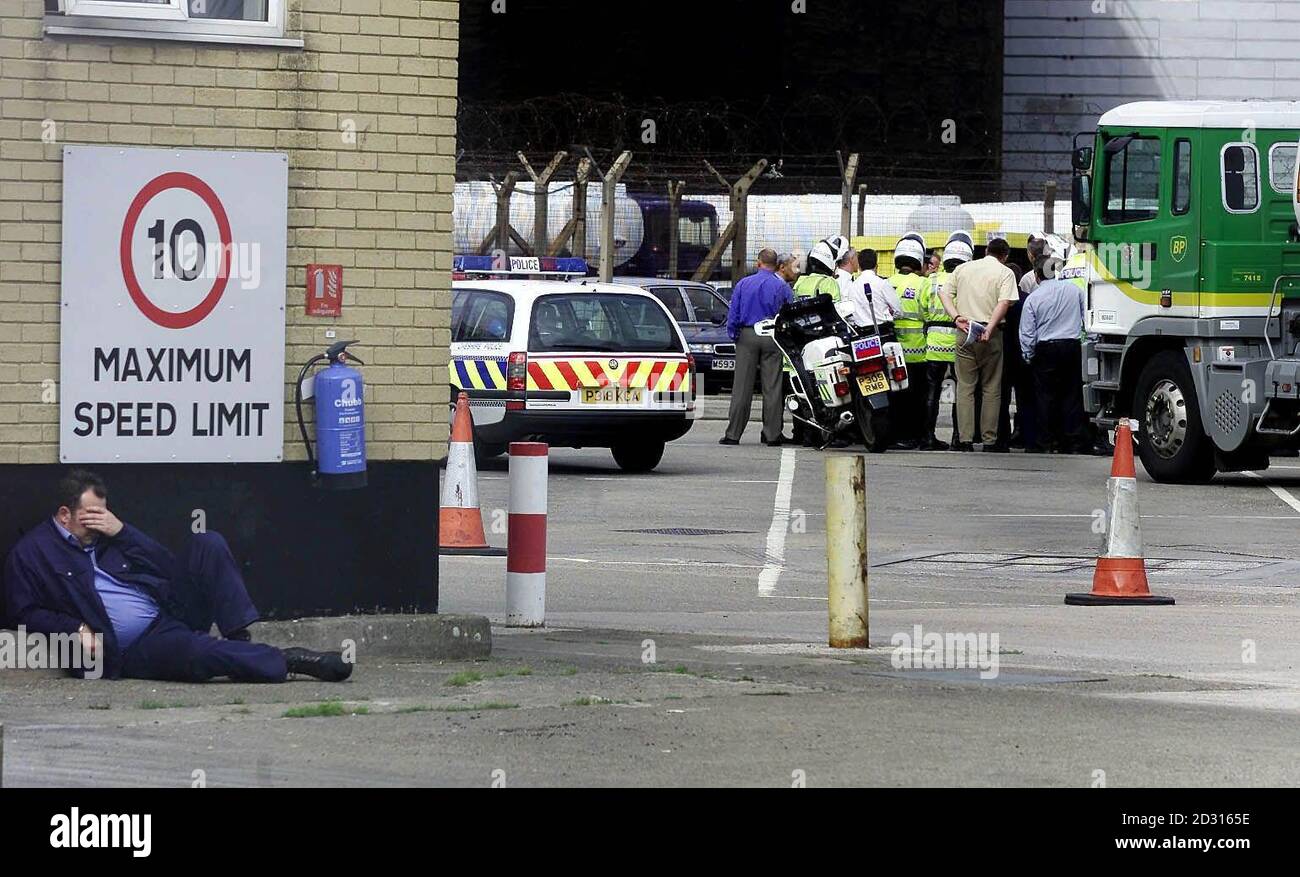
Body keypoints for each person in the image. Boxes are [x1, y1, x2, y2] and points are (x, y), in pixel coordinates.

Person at [2, 470, 352, 683]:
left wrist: (122, 531)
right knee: (199, 653)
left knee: (207, 543)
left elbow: (166, 566)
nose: (98, 522)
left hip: (166, 608)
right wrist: (73, 628)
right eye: (90, 516)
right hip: (133, 648)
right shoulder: (32, 554)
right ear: (65, 515)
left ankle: (239, 640)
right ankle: (290, 660)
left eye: (103, 514)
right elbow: (24, 612)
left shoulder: (109, 534)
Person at [938, 236, 1018, 452]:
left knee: (965, 387)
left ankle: (965, 440)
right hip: (991, 334)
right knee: (991, 388)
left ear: (985, 252)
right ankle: (989, 440)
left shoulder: (963, 269)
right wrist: (990, 328)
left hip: (965, 330)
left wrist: (956, 317)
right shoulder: (1005, 273)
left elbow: (944, 293)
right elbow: (1004, 303)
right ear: (1005, 256)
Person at [1020, 246, 1090, 453]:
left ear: (1036, 274)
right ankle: (1073, 441)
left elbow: (1027, 332)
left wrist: (1028, 354)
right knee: (1072, 395)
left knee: (1045, 397)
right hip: (1072, 346)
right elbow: (1086, 318)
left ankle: (1046, 442)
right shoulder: (1074, 290)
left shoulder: (1033, 298)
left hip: (1046, 350)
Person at [721, 248, 793, 446]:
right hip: (772, 336)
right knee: (772, 387)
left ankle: (733, 434)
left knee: (742, 387)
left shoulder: (744, 284)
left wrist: (735, 335)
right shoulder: (781, 286)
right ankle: (772, 434)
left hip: (747, 334)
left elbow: (733, 313)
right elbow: (788, 312)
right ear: (776, 265)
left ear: (759, 262)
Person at [917, 232, 971, 450]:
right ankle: (959, 438)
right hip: (960, 342)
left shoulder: (930, 281)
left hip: (933, 344)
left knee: (932, 392)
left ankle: (928, 437)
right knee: (962, 392)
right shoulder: (966, 280)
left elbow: (921, 309)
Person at [889, 233, 930, 449]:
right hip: (918, 353)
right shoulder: (922, 284)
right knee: (917, 397)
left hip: (892, 353)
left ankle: (895, 434)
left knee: (896, 396)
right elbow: (928, 314)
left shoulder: (887, 283)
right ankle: (914, 435)